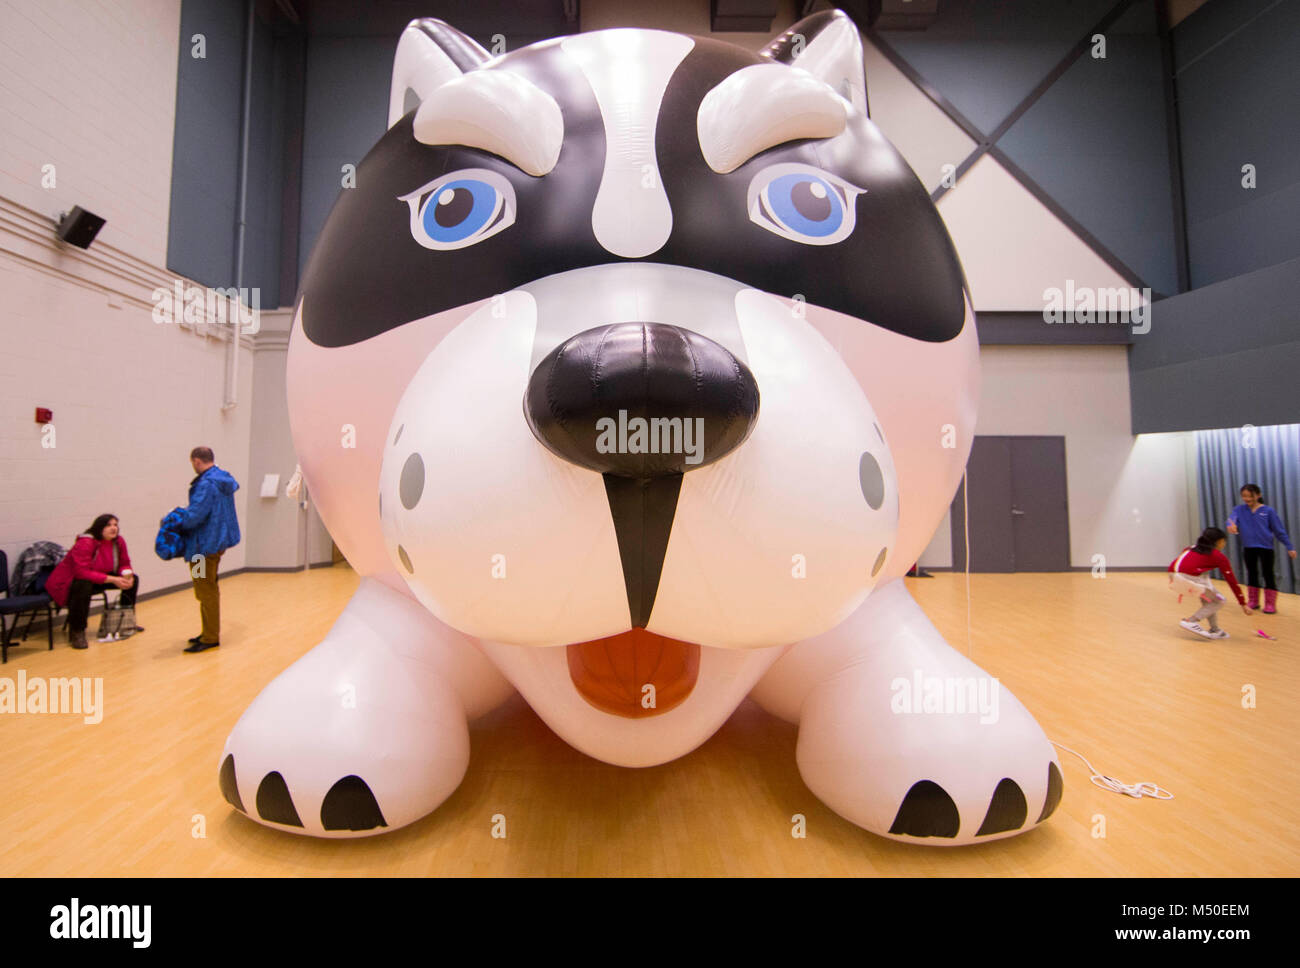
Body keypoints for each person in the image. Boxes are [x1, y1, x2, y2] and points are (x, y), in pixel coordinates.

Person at [44, 514, 142, 650]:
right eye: (109, 525)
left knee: (134, 580)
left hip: (98, 576)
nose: (113, 528)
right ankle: (77, 631)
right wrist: (113, 579)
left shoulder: (118, 541)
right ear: (99, 527)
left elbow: (124, 563)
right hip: (69, 581)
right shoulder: (86, 542)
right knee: (83, 585)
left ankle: (125, 620)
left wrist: (127, 575)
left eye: (115, 525)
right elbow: (81, 572)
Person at [177, 446, 241, 653]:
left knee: (205, 589)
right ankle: (207, 631)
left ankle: (211, 636)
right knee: (205, 586)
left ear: (196, 461)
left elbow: (195, 515)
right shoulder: (222, 479)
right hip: (214, 543)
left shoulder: (206, 484)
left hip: (202, 547)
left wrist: (175, 517)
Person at [1168, 526, 1251, 640]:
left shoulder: (1191, 548)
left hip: (1173, 576)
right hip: (1187, 579)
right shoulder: (1218, 556)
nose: (1224, 544)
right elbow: (1231, 580)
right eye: (1223, 541)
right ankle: (1191, 621)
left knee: (1209, 598)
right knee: (1219, 601)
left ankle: (1215, 629)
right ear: (1219, 542)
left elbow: (1180, 563)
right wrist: (1243, 603)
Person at [1226, 483, 1295, 615]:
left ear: (1258, 495)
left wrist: (1289, 547)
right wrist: (1231, 525)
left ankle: (1270, 604)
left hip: (1266, 548)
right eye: (1244, 496)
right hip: (1248, 547)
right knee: (1252, 573)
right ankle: (1253, 601)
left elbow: (1279, 531)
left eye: (1250, 496)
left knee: (1268, 573)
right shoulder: (1239, 509)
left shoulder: (1268, 511)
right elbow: (1231, 520)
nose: (1247, 499)